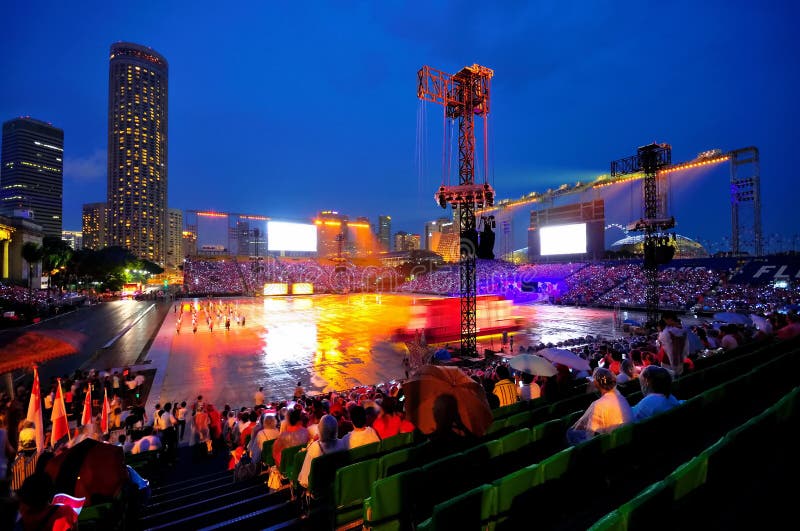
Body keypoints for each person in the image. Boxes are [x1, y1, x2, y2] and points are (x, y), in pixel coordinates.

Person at [566, 367, 633, 444]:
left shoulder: (598, 405)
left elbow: (592, 434)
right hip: (626, 438)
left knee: (570, 432)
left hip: (612, 442)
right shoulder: (621, 397)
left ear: (596, 383)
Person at [298, 415, 347, 489]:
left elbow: (305, 480)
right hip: (340, 484)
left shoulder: (315, 447)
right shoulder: (343, 443)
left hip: (321, 489)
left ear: (320, 429)